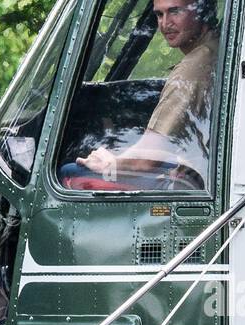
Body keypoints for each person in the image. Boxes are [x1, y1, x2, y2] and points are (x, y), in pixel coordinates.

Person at [66, 0, 220, 190]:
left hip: (194, 186)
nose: (165, 24)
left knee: (71, 173)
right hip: (201, 175)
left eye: (174, 12)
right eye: (159, 15)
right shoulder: (216, 48)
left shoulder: (192, 70)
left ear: (202, 11)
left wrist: (109, 164)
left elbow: (146, 160)